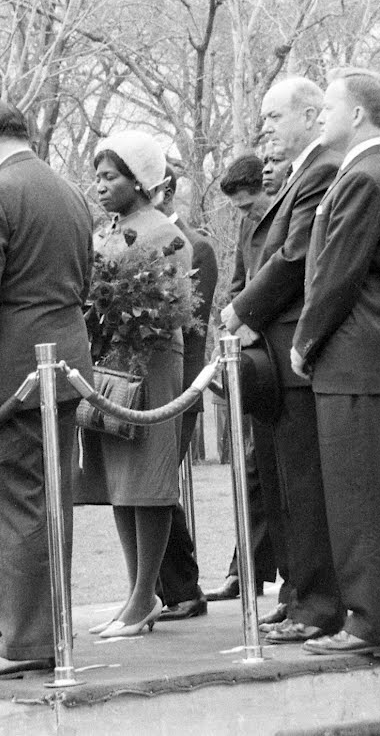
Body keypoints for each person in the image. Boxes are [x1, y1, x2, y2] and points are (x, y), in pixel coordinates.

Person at [0, 99, 93, 678]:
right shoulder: (68, 192)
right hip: (64, 367)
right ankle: (50, 630)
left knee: (11, 510)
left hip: (7, 377)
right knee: (50, 505)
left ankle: (27, 641)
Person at [288, 67, 380, 657]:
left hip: (355, 356)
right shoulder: (373, 172)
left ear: (358, 115)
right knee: (378, 495)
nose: (320, 116)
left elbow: (336, 274)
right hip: (369, 356)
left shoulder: (364, 176)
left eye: (329, 107)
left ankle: (372, 623)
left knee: (360, 496)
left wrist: (304, 341)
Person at [221, 77, 344, 644]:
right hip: (267, 355)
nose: (265, 127)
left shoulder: (320, 171)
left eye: (275, 117)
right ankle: (296, 592)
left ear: (311, 115)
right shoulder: (296, 175)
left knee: (303, 485)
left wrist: (240, 310)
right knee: (276, 485)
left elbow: (295, 258)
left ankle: (318, 604)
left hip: (294, 354)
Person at [77, 131, 193, 638]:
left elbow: (174, 308)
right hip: (109, 366)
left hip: (150, 367)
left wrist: (111, 312)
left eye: (111, 177)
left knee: (147, 483)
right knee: (120, 484)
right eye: (98, 177)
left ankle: (147, 595)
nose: (100, 187)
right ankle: (134, 595)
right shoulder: (109, 230)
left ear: (140, 181)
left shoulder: (166, 234)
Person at [205, 154, 285, 603]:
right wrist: (235, 322)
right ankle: (246, 570)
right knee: (250, 465)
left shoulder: (287, 214)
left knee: (274, 468)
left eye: (250, 204)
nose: (246, 215)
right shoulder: (245, 226)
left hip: (279, 351)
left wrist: (255, 317)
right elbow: (239, 282)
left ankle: (279, 575)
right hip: (251, 352)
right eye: (238, 209)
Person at [155, 166, 217, 622]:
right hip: (134, 384)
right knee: (140, 489)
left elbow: (189, 321)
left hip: (179, 384)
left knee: (157, 487)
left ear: (167, 190)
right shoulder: (124, 240)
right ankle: (161, 590)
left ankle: (184, 589)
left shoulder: (196, 246)